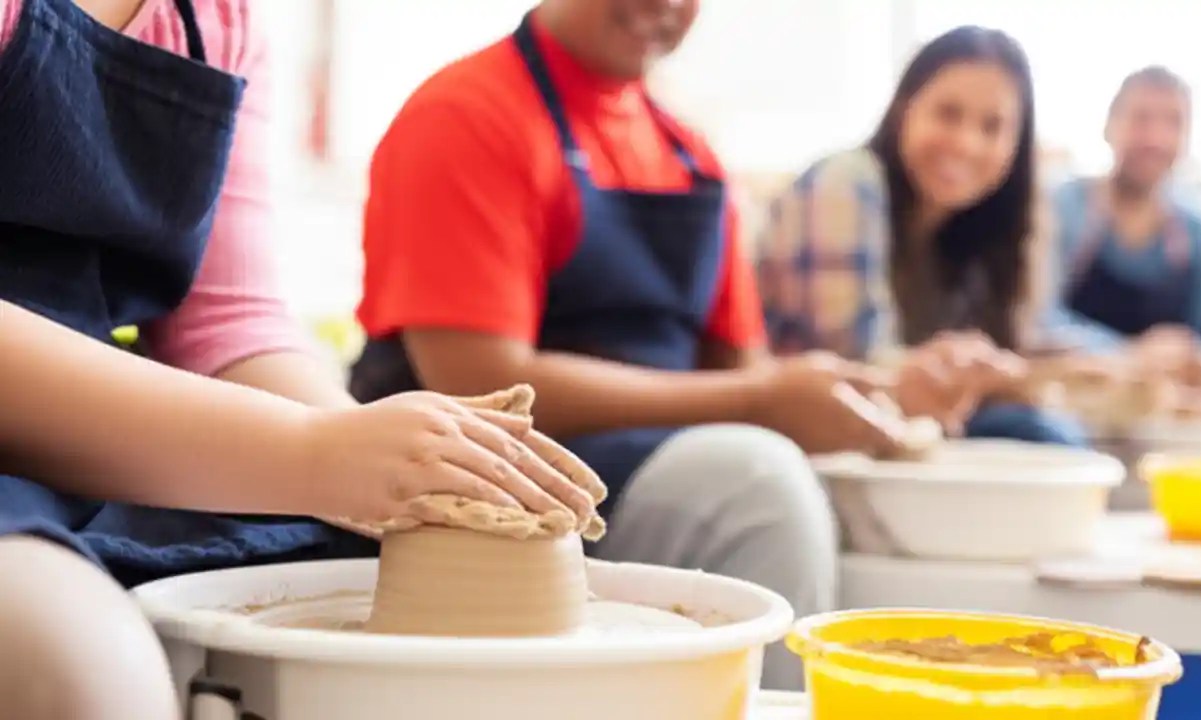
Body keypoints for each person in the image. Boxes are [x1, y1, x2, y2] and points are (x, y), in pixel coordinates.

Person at [350, 0, 1009, 690]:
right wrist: (762, 401)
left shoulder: (688, 155)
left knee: (874, 496)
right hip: (484, 486)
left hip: (651, 464)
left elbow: (740, 368)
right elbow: (476, 379)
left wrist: (866, 396)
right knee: (758, 484)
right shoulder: (467, 114)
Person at [0, 1, 595, 718]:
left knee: (416, 589)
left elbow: (228, 324)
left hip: (99, 436)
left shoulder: (217, 20)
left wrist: (393, 457)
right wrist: (315, 453)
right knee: (82, 665)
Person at [755, 25, 1084, 446]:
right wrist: (979, 376)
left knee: (1050, 433)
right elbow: (854, 365)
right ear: (904, 108)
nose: (966, 143)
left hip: (891, 438)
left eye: (992, 127)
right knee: (1041, 436)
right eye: (948, 114)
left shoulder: (974, 236)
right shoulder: (845, 183)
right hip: (804, 438)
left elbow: (1031, 336)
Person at [1049, 66, 1201, 386]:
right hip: (1071, 398)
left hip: (1165, 414)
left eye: (1173, 122)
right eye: (1141, 119)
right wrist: (1130, 354)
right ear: (1109, 127)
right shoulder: (1061, 209)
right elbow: (1033, 320)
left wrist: (1200, 358)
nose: (1155, 139)